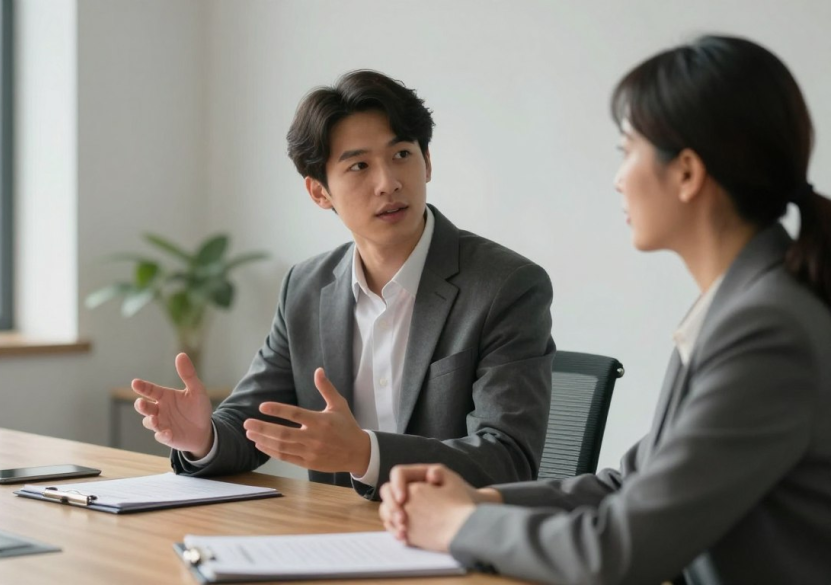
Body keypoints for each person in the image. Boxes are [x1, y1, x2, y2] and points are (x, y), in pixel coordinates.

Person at [379, 35, 831, 584]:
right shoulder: (741, 304)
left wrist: (456, 526)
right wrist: (480, 499)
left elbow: (620, 551)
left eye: (627, 152)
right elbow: (630, 484)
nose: (618, 178)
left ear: (687, 173)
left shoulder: (765, 327)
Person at [130, 70, 556, 500]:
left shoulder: (507, 285)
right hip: (335, 537)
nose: (387, 182)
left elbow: (508, 459)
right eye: (359, 166)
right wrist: (203, 438)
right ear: (319, 192)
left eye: (402, 155)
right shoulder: (306, 287)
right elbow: (256, 419)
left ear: (428, 162)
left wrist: (365, 455)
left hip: (450, 541)